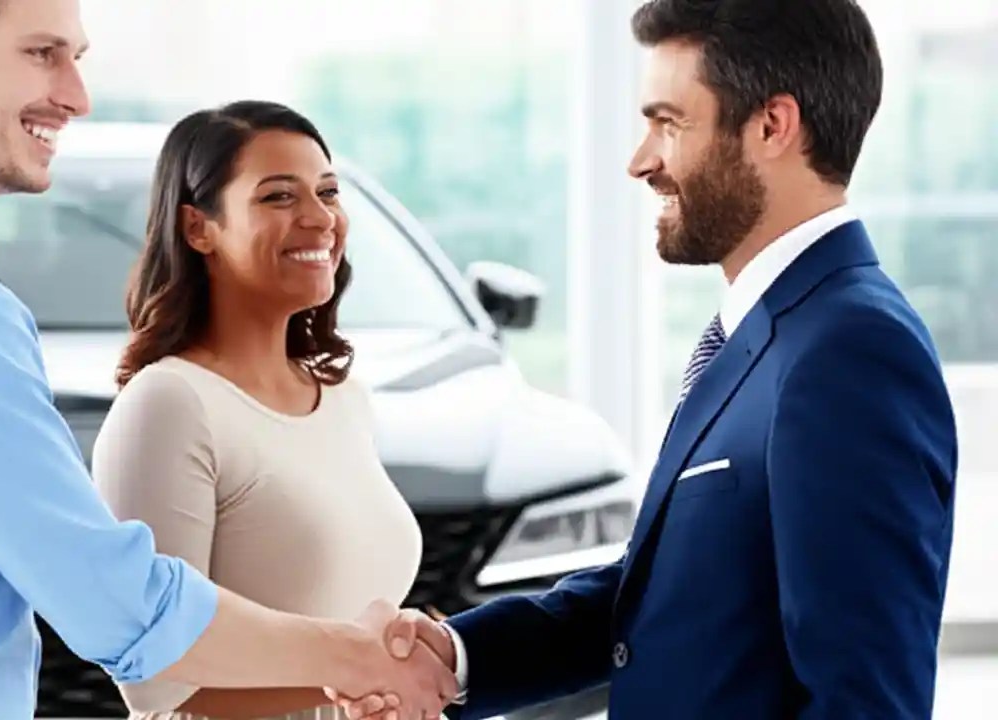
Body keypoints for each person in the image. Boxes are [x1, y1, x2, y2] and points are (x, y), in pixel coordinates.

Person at [0, 2, 455, 719]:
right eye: (42, 54)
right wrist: (354, 660)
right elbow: (112, 602)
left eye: (77, 58)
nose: (75, 96)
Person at [337, 0, 959, 718]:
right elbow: (667, 596)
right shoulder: (769, 333)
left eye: (669, 123)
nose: (642, 161)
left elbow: (867, 700)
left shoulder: (850, 353)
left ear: (771, 126)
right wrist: (459, 657)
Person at [90, 100, 425, 720]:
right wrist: (368, 679)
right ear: (199, 229)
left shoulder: (346, 400)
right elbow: (160, 684)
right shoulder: (168, 405)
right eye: (278, 197)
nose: (319, 217)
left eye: (328, 191)